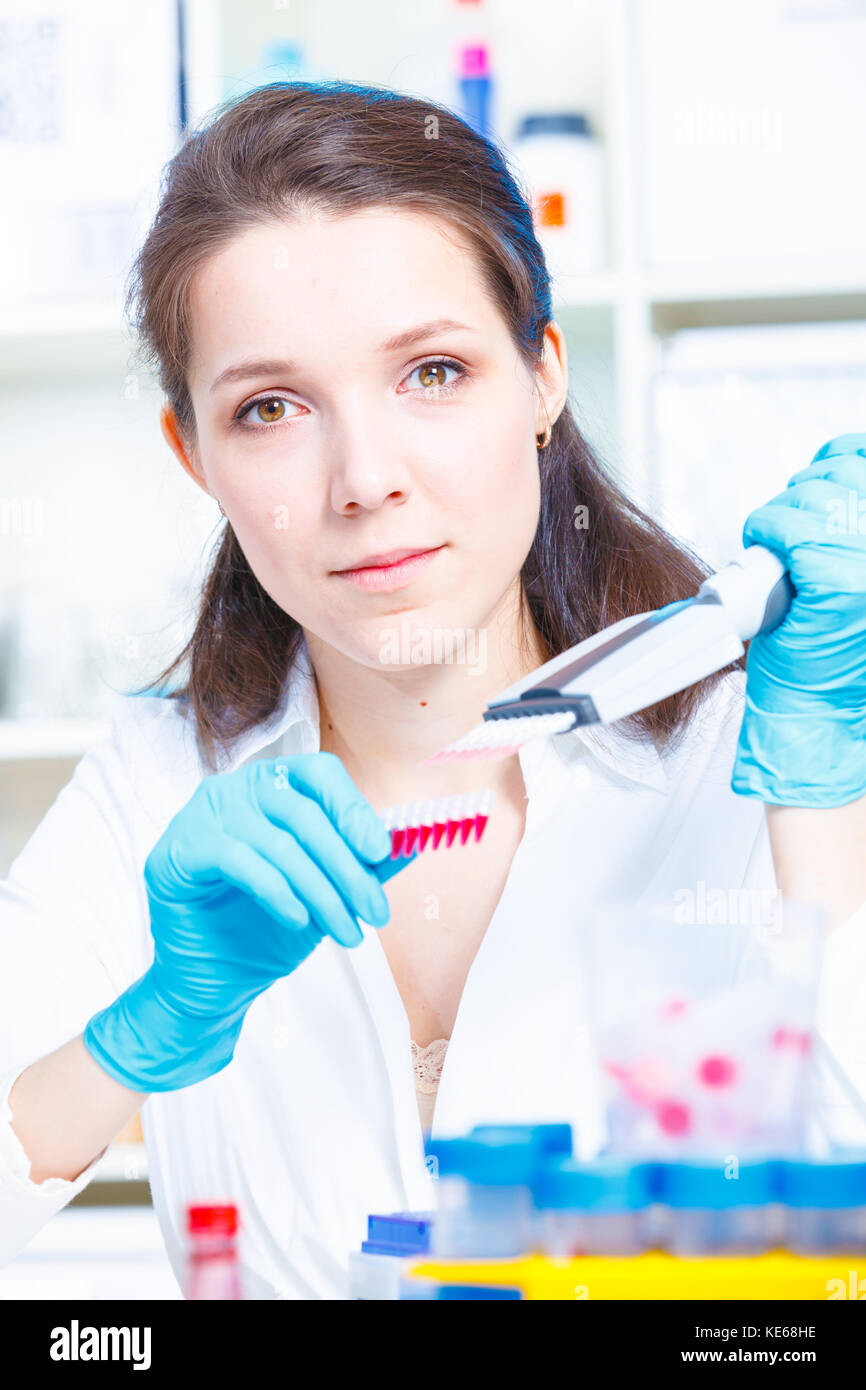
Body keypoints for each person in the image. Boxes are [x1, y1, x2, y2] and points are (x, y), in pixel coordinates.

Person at [1, 82, 864, 1300]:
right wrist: (130, 1041)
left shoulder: (762, 752)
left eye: (433, 373)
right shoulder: (153, 784)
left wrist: (824, 829)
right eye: (270, 408)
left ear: (542, 379)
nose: (364, 479)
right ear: (194, 454)